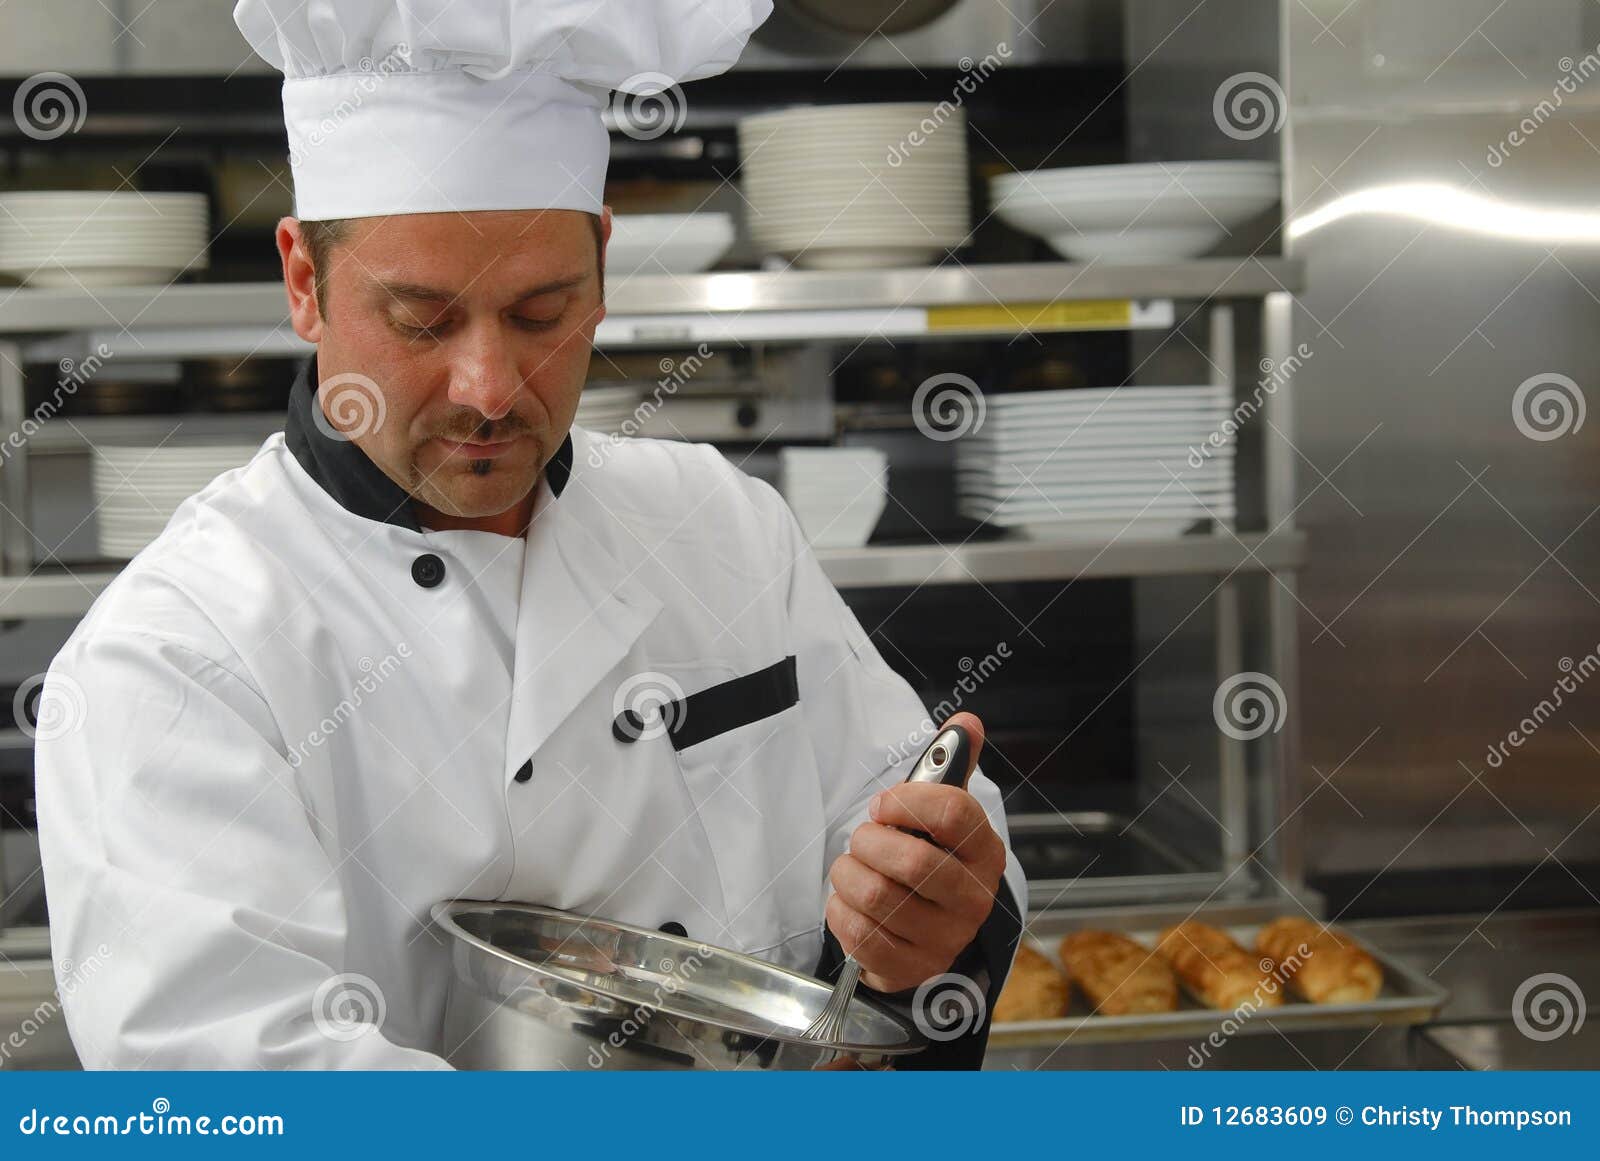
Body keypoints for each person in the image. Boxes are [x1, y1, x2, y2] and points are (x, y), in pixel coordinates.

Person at [33, 0, 1024, 1069]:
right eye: (422, 322)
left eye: (542, 314)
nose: (491, 389)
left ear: (601, 264)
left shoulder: (718, 526)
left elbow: (914, 852)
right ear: (305, 284)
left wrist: (934, 918)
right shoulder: (178, 655)